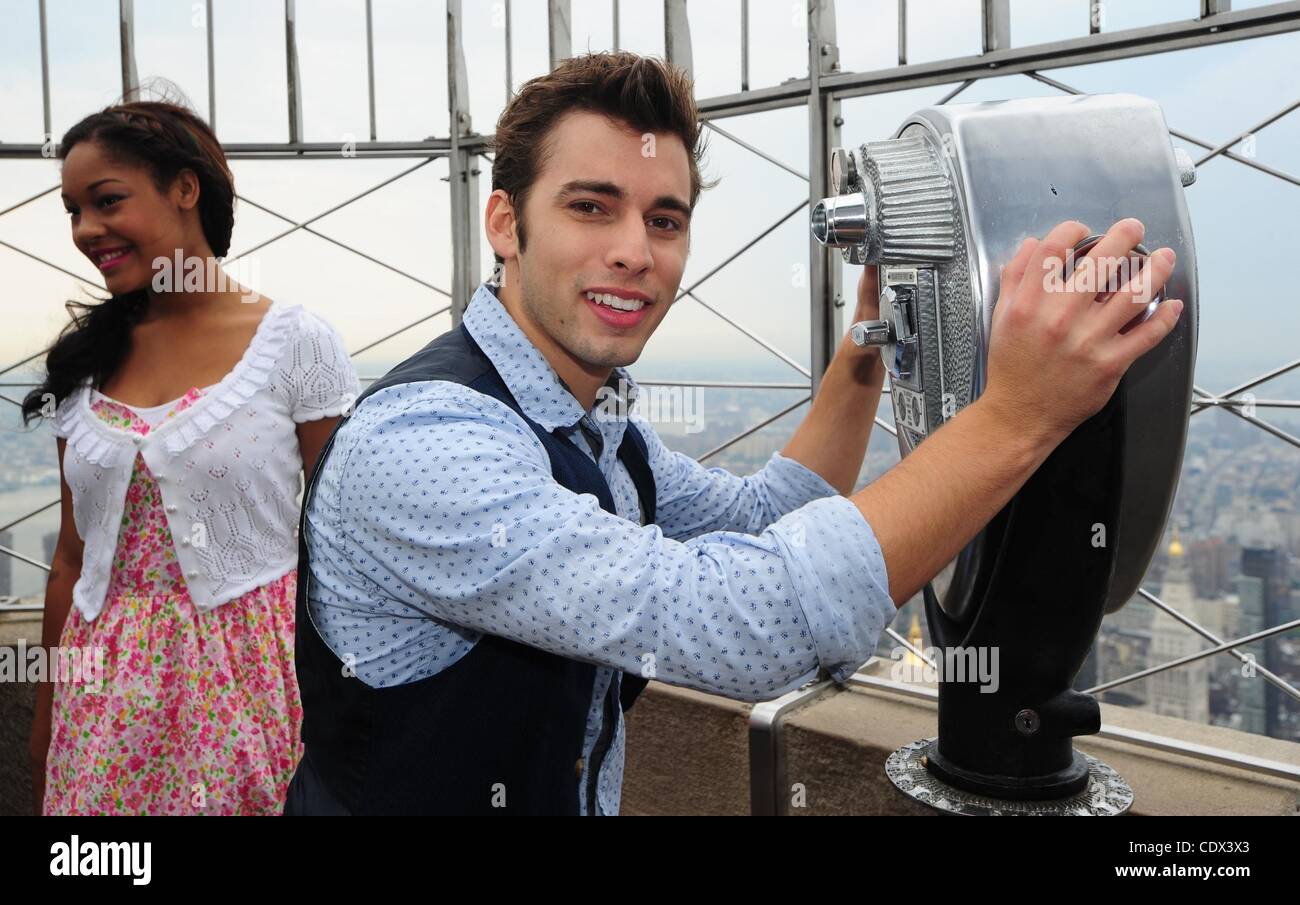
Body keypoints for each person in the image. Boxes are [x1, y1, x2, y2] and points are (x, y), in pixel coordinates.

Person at [285, 52, 1182, 815]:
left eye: (664, 219)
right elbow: (745, 626)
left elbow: (767, 513)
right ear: (505, 224)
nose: (636, 250)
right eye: (591, 207)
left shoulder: (591, 426)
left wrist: (877, 335)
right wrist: (1021, 413)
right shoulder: (425, 443)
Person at [24, 98, 360, 814]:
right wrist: (47, 714)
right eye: (73, 211)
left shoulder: (295, 344)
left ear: (186, 188)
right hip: (101, 711)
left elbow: (348, 549)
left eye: (108, 201)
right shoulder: (83, 365)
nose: (87, 230)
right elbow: (72, 561)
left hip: (258, 691)